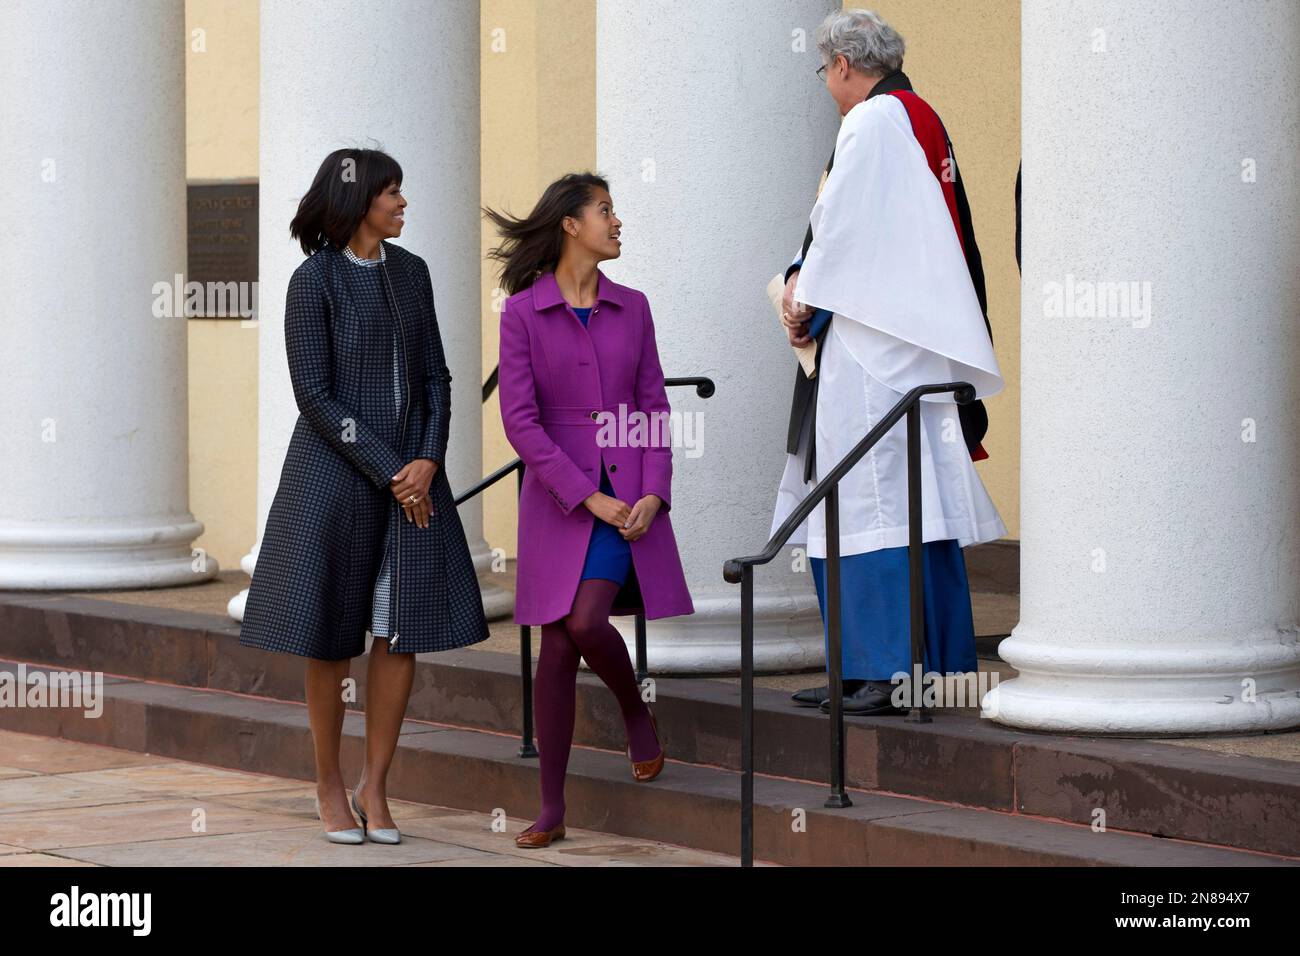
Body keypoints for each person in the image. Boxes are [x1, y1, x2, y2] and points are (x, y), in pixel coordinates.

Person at [239, 148, 489, 843]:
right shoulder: (312, 282)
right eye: (393, 193)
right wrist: (393, 469)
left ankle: (376, 789)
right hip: (334, 481)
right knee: (330, 639)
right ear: (358, 202)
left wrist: (428, 461)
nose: (404, 203)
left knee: (399, 630)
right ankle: (327, 784)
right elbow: (315, 396)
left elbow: (438, 378)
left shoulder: (413, 274)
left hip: (413, 484)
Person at [773, 9, 1006, 716]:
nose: (827, 83)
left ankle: (881, 668)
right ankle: (929, 663)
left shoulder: (872, 122)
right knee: (918, 504)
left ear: (844, 64)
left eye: (825, 71)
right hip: (908, 345)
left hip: (872, 350)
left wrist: (799, 294)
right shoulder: (918, 113)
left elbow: (837, 227)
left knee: (865, 499)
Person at [487, 173, 694, 847]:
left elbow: (655, 406)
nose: (617, 220)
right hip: (561, 502)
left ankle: (634, 713)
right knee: (554, 645)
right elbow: (521, 422)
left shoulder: (633, 307)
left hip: (630, 495)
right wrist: (585, 495)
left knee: (581, 620)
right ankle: (552, 807)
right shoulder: (522, 313)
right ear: (571, 225)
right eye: (605, 210)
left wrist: (654, 492)